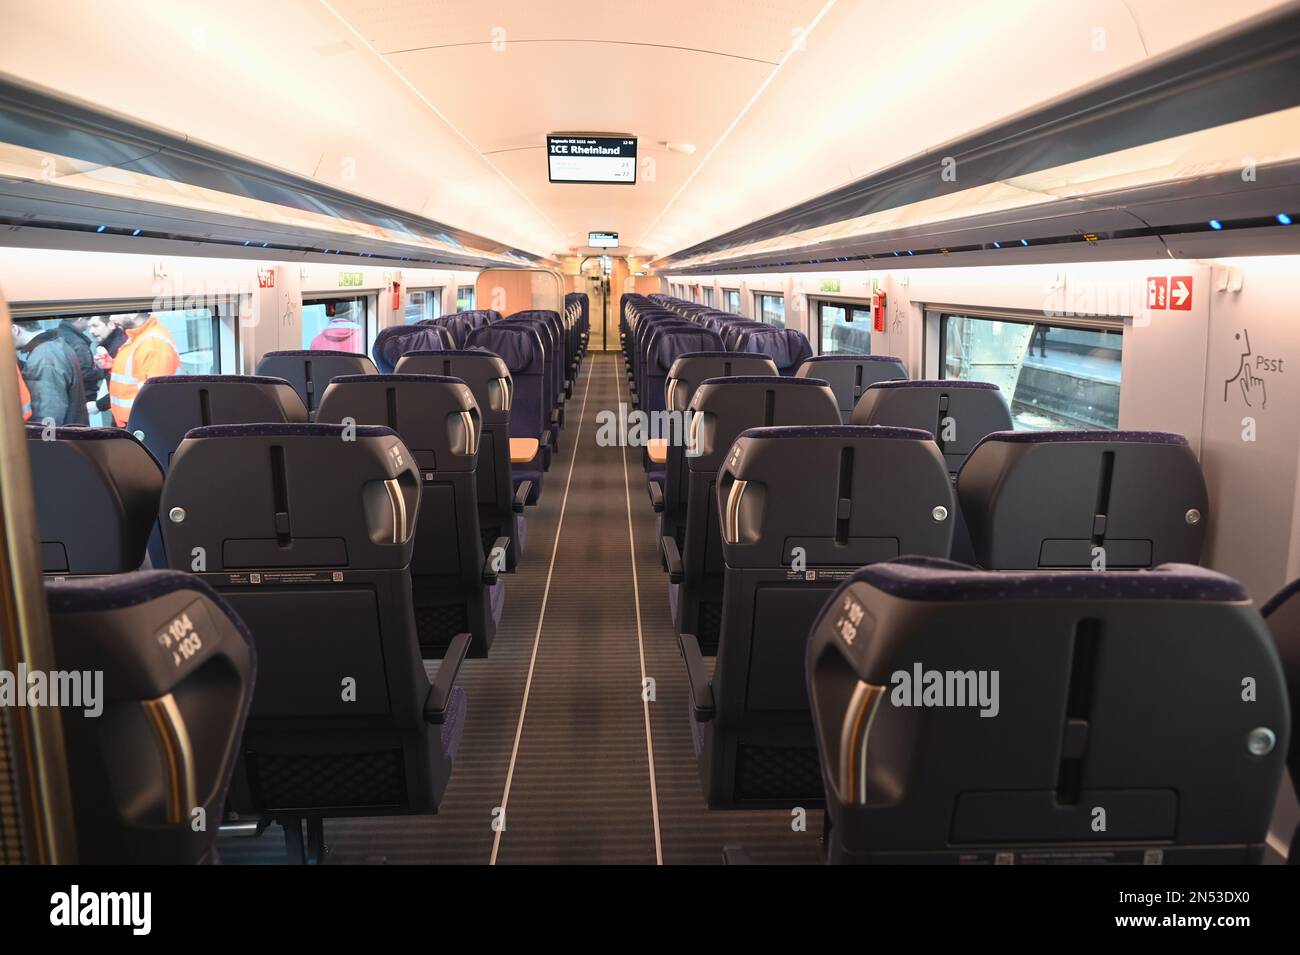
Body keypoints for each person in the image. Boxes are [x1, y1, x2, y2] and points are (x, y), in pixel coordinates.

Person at [106, 312, 180, 427]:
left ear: (133, 314)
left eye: (115, 313)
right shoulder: (140, 338)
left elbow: (155, 399)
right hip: (132, 423)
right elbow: (135, 373)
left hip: (140, 426)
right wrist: (112, 365)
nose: (111, 318)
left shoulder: (154, 344)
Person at [12, 319, 88, 425]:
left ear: (14, 330)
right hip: (69, 436)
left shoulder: (44, 357)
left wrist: (46, 440)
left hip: (56, 438)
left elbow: (48, 415)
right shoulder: (54, 346)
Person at [86, 315, 127, 420]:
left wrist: (99, 405)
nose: (91, 331)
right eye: (89, 327)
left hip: (126, 414)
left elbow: (124, 386)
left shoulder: (119, 347)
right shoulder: (112, 345)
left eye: (95, 326)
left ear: (111, 324)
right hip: (122, 412)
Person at [57, 316, 100, 397]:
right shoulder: (78, 343)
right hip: (83, 394)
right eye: (87, 319)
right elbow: (85, 373)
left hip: (62, 391)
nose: (88, 325)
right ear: (80, 319)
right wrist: (103, 371)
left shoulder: (55, 334)